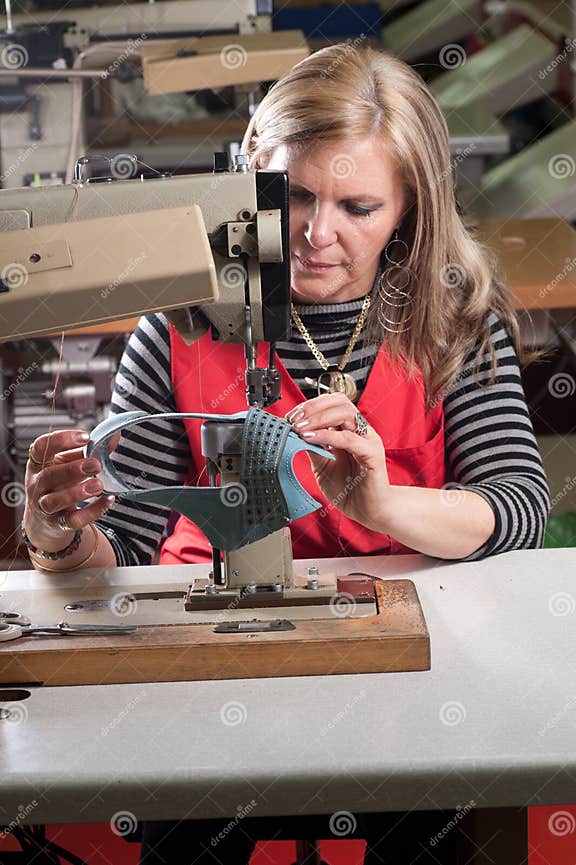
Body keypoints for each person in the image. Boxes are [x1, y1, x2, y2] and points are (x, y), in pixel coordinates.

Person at [22, 44, 549, 864]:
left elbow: (518, 508)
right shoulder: (177, 326)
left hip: (410, 686)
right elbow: (118, 545)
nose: (315, 232)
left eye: (359, 207)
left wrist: (383, 506)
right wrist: (61, 535)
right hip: (209, 677)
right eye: (292, 194)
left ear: (410, 209)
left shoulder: (453, 324)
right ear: (246, 175)